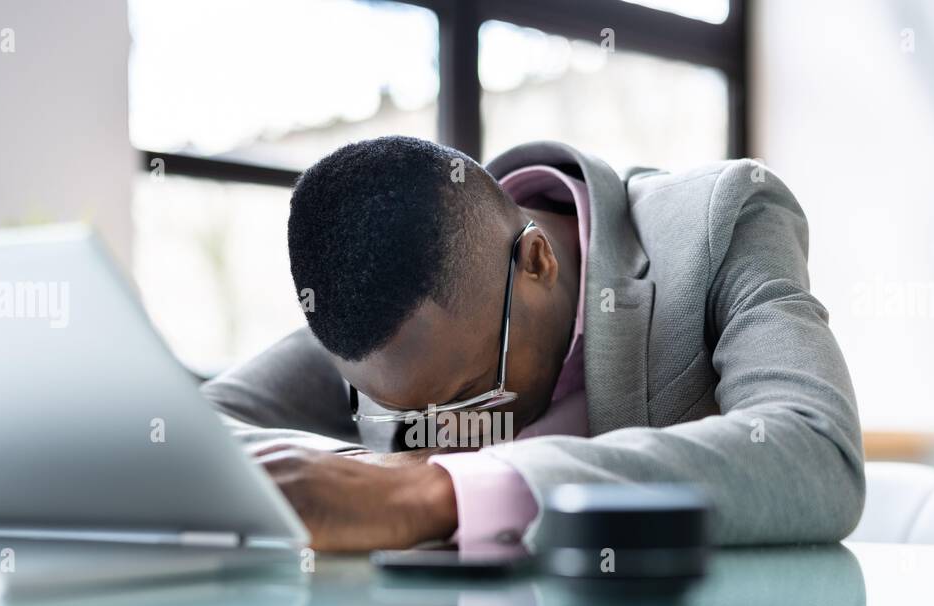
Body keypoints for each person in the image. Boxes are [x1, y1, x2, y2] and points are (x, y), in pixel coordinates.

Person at [203, 136, 864, 551]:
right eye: (406, 417)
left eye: (466, 396)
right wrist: (354, 468)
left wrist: (440, 494)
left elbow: (816, 449)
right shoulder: (393, 325)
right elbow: (194, 436)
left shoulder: (722, 221)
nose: (442, 435)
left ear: (538, 262)